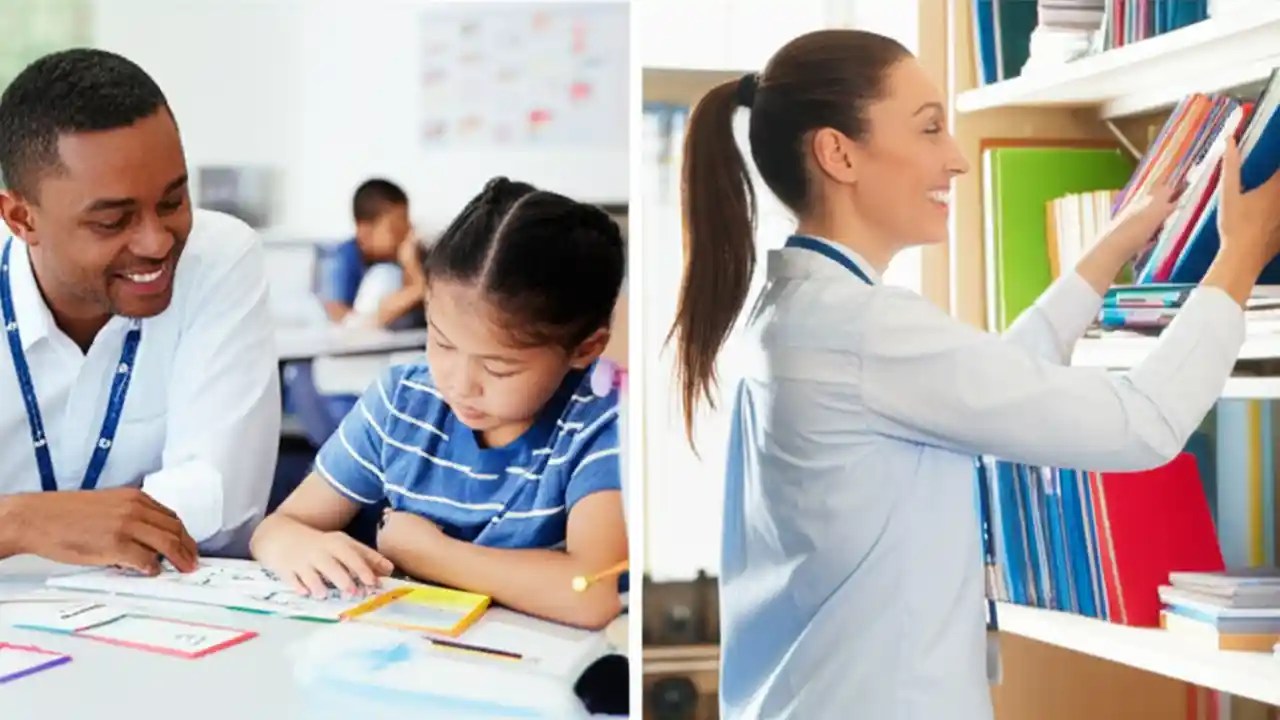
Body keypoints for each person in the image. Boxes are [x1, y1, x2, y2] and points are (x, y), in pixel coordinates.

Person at [668, 29, 1280, 720]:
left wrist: (1110, 248)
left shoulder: (801, 316)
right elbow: (1146, 424)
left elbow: (998, 384)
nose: (955, 160)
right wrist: (1241, 255)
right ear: (838, 153)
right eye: (929, 129)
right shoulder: (862, 329)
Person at [251, 177, 627, 630]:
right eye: (442, 344)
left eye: (498, 368)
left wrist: (431, 553)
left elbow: (592, 591)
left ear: (586, 348)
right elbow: (279, 527)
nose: (460, 384)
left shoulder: (598, 425)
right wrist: (293, 544)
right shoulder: (402, 402)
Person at [0, 49, 281, 573]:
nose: (156, 242)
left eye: (173, 202)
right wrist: (20, 522)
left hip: (152, 615)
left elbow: (226, 506)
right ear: (21, 218)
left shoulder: (219, 257)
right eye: (112, 221)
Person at [317, 178, 424, 329]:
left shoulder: (398, 258)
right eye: (395, 231)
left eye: (407, 227)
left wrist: (411, 265)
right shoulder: (342, 259)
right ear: (365, 231)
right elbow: (342, 319)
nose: (405, 237)